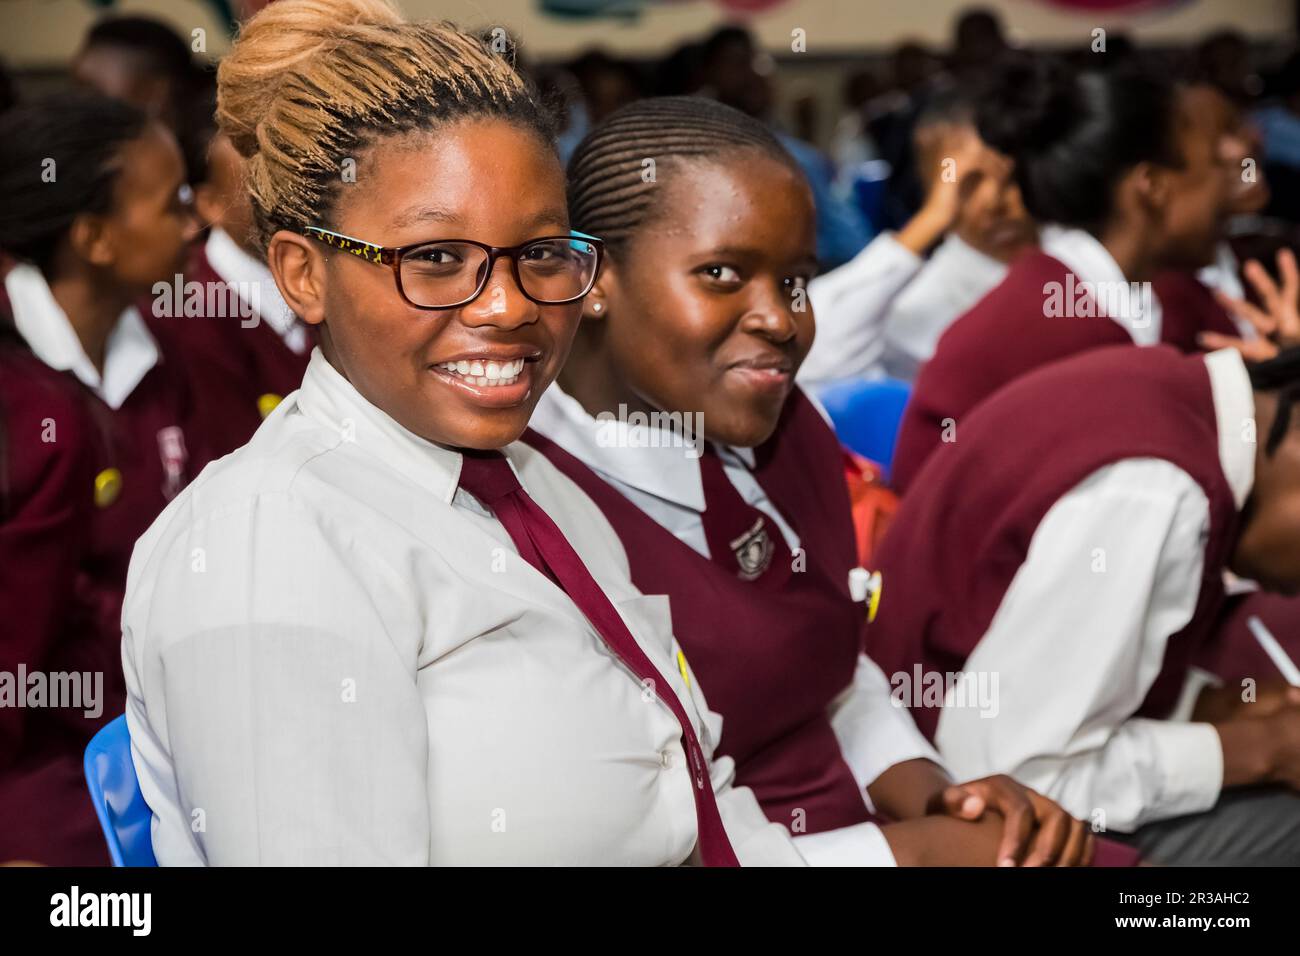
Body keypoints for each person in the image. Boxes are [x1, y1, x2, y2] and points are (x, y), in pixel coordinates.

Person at [121, 0, 801, 867]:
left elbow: (695, 799)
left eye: (542, 253)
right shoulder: (273, 545)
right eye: (437, 259)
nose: (510, 306)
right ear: (302, 273)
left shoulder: (533, 485)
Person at [529, 95, 1108, 867]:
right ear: (590, 276)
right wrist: (916, 853)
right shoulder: (531, 515)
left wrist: (937, 794)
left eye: (797, 280)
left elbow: (832, 671)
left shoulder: (786, 426)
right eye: (722, 273)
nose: (781, 319)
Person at [869, 343, 1300, 865]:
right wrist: (1265, 752)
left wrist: (1211, 705)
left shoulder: (1169, 387)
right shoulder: (1155, 490)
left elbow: (1059, 663)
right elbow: (1032, 781)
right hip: (939, 803)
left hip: (926, 730)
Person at [0, 91, 203, 864]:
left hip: (156, 739)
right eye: (172, 203)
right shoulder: (19, 401)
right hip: (43, 777)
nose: (196, 224)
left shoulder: (165, 357)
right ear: (94, 239)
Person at [891, 57, 1230, 492]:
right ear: (1153, 187)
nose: (1231, 186)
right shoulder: (1051, 329)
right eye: (1212, 169)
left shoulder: (1147, 296)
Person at [877, 90, 1038, 381]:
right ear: (933, 193)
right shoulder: (915, 305)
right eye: (969, 183)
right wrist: (932, 219)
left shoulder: (1077, 267)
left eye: (1012, 179)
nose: (995, 202)